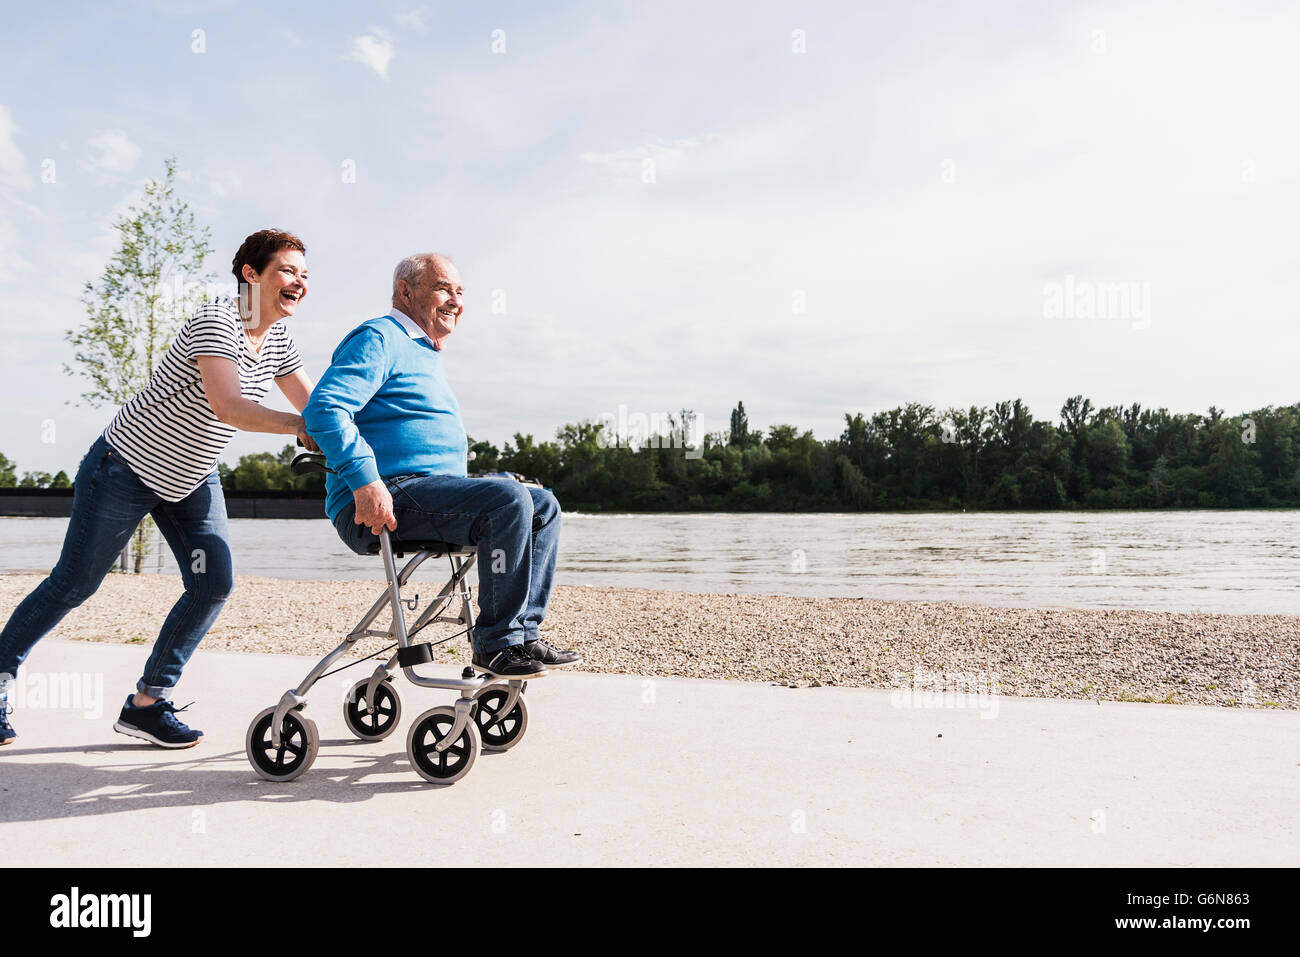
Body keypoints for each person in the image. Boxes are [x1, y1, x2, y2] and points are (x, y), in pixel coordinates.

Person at [0, 229, 318, 749]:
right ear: (250, 275)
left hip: (192, 476)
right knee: (74, 584)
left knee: (212, 583)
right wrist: (299, 429)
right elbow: (230, 408)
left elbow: (316, 405)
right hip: (124, 467)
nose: (299, 283)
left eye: (305, 275)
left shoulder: (279, 338)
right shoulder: (218, 320)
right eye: (287, 270)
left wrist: (360, 434)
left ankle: (147, 704)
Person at [303, 253, 576, 679]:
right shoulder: (381, 337)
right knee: (506, 500)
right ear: (406, 292)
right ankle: (496, 644)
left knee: (544, 505)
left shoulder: (422, 351)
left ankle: (522, 634)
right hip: (383, 495)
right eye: (443, 288)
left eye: (460, 292)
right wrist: (364, 480)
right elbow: (324, 409)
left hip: (426, 490)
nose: (455, 301)